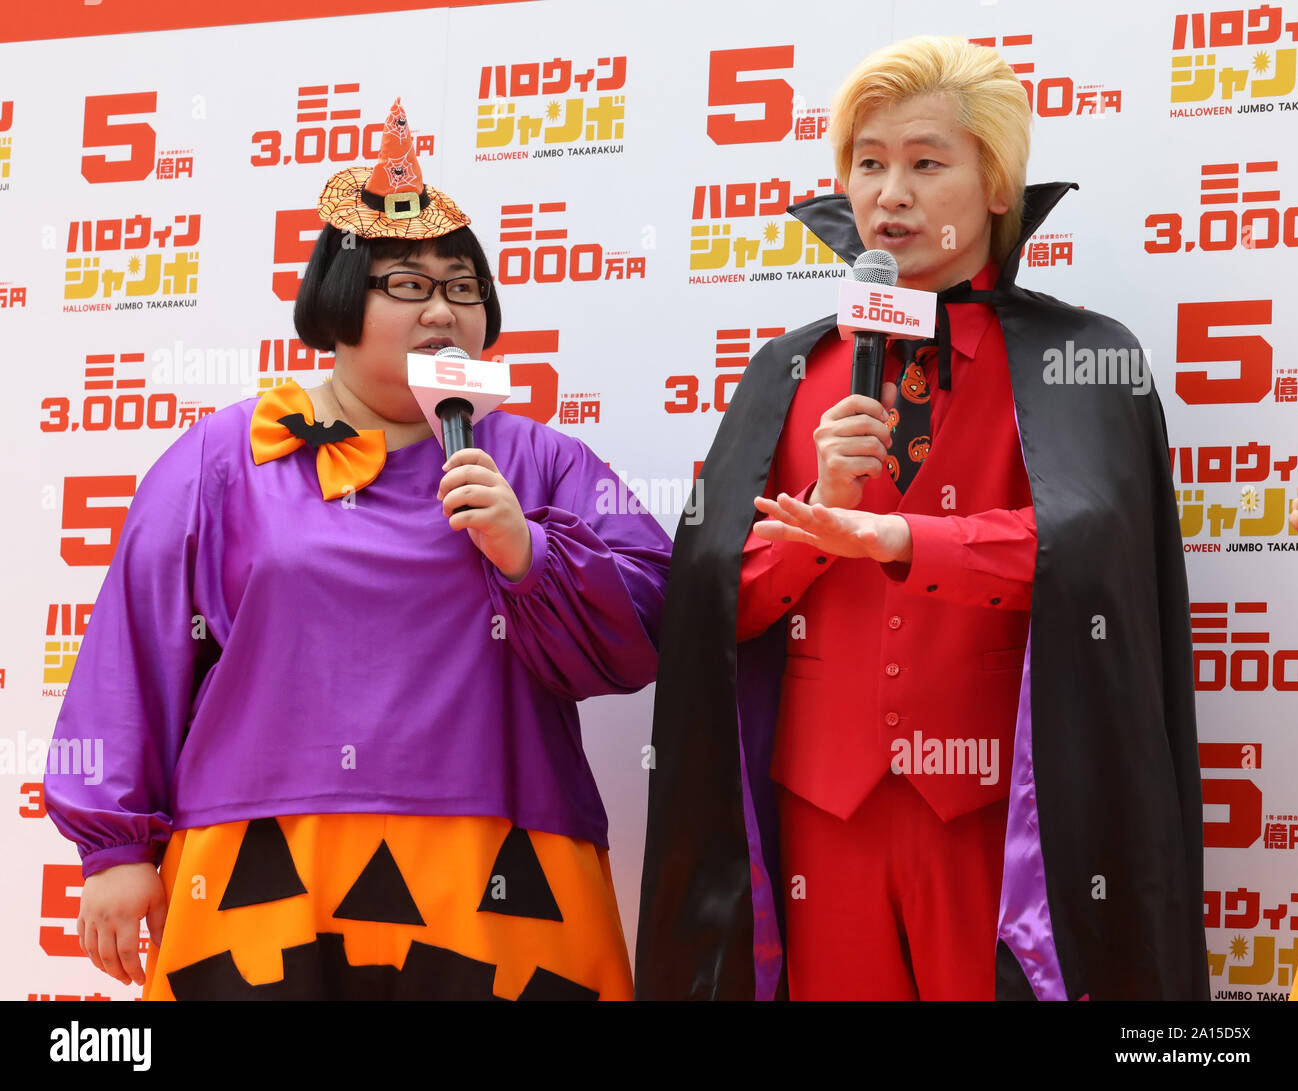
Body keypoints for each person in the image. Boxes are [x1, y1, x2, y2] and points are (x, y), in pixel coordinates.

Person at [44, 98, 672, 1001]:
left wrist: (528, 552)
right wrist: (113, 847)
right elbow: (131, 648)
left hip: (504, 865)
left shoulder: (541, 460)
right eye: (408, 286)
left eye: (462, 288)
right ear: (337, 302)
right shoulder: (228, 456)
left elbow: (652, 611)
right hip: (264, 863)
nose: (442, 311)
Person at [636, 37, 1208, 1000]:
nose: (889, 192)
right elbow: (708, 606)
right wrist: (825, 515)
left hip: (1003, 817)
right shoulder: (787, 371)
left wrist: (908, 538)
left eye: (925, 161)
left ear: (997, 189)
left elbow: (1099, 556)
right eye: (868, 162)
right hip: (821, 812)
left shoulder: (1086, 355)